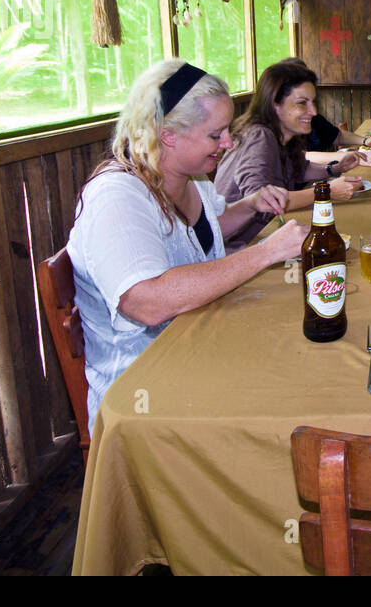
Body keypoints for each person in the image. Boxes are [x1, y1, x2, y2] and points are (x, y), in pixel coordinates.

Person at [67, 60, 307, 429]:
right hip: (145, 393)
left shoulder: (186, 181)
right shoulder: (116, 198)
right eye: (216, 135)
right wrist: (268, 251)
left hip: (199, 348)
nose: (228, 143)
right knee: (288, 391)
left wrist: (250, 204)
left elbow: (202, 233)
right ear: (168, 135)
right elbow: (148, 301)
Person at [214, 60, 365, 252]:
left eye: (313, 102)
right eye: (302, 103)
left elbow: (300, 169)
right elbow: (262, 199)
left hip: (269, 233)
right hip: (239, 248)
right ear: (275, 104)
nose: (313, 112)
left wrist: (334, 168)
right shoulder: (259, 135)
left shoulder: (286, 134)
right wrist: (326, 191)